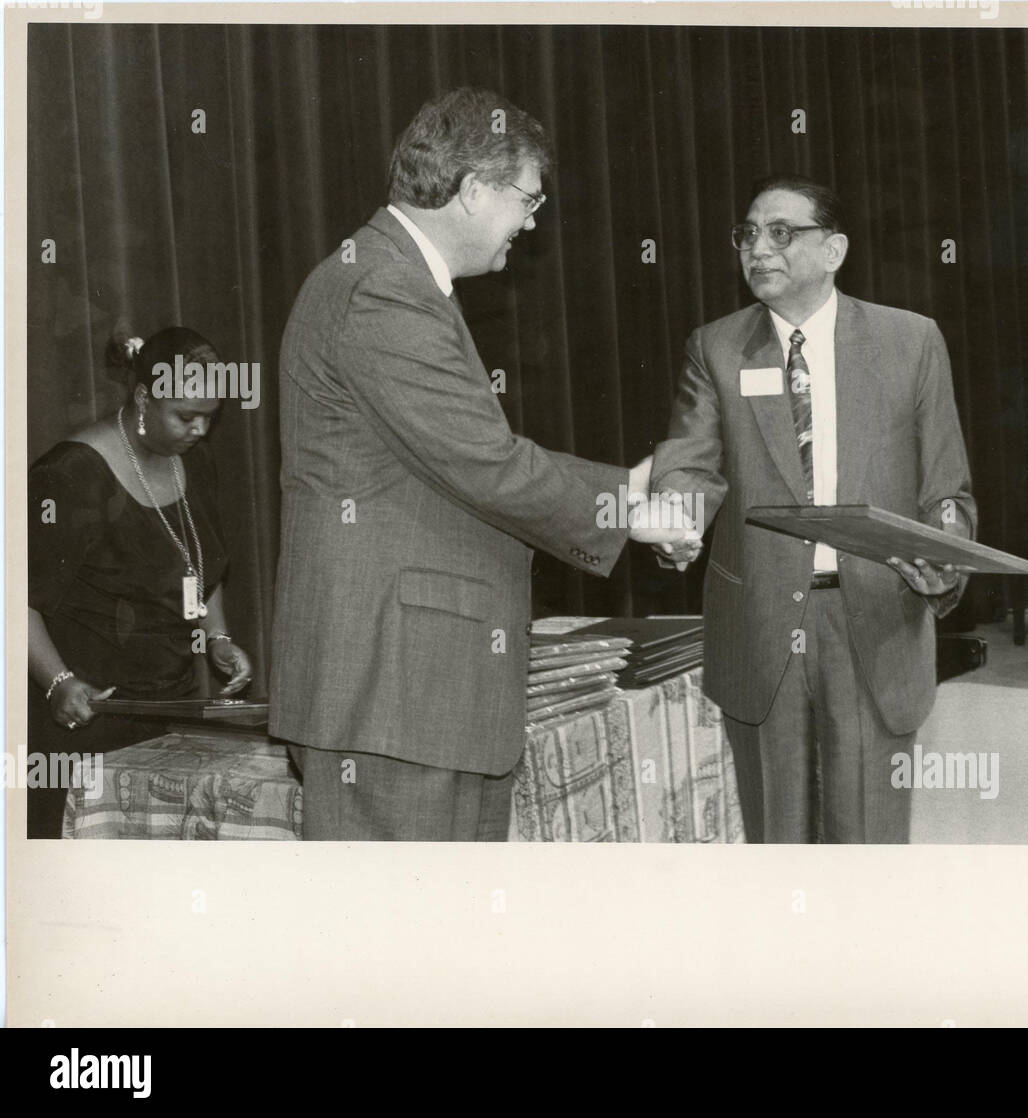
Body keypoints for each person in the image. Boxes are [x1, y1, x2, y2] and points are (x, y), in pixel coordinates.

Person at [269, 87, 692, 841]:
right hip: (394, 693)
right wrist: (629, 501)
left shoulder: (391, 277)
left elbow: (455, 461)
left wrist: (625, 488)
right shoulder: (383, 290)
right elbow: (482, 464)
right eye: (527, 200)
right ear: (472, 190)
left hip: (420, 691)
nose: (531, 223)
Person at [649, 174, 978, 844]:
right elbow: (689, 464)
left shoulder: (911, 341)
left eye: (781, 233)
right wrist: (676, 519)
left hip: (877, 616)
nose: (758, 249)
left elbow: (947, 490)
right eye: (748, 234)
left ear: (833, 250)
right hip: (760, 621)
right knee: (780, 840)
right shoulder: (716, 347)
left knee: (867, 842)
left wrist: (944, 554)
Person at [27, 327, 253, 837]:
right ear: (145, 398)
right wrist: (57, 682)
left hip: (168, 713)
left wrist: (218, 638)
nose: (199, 430)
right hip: (86, 719)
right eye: (186, 416)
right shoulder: (69, 475)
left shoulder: (196, 460)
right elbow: (13, 597)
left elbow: (199, 564)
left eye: (209, 417)